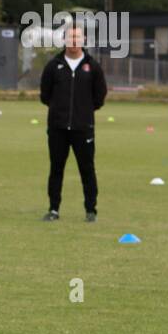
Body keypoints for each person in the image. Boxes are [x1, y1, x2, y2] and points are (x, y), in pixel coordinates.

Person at [40, 25, 108, 222]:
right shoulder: (53, 66)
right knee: (56, 168)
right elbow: (45, 95)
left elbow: (99, 97)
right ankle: (53, 209)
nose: (74, 41)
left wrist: (83, 112)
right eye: (70, 37)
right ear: (65, 40)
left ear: (84, 40)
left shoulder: (92, 67)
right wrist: (59, 111)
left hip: (83, 127)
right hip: (57, 128)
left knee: (87, 169)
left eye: (77, 37)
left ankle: (90, 210)